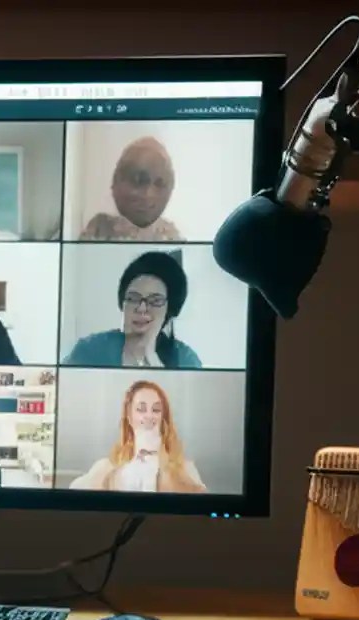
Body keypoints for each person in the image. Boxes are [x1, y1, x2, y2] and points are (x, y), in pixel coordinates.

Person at [64, 250, 202, 368]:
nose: (142, 308)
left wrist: (152, 358)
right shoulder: (90, 350)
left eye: (155, 300)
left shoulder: (185, 360)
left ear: (170, 308)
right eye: (133, 298)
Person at [68, 380, 206, 493]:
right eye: (141, 409)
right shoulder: (106, 467)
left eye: (156, 410)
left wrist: (162, 465)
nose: (149, 416)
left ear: (163, 418)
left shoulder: (185, 469)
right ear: (129, 417)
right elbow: (75, 493)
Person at [79, 137, 182, 242]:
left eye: (160, 184)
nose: (148, 194)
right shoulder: (99, 229)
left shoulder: (170, 237)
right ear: (116, 180)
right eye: (139, 181)